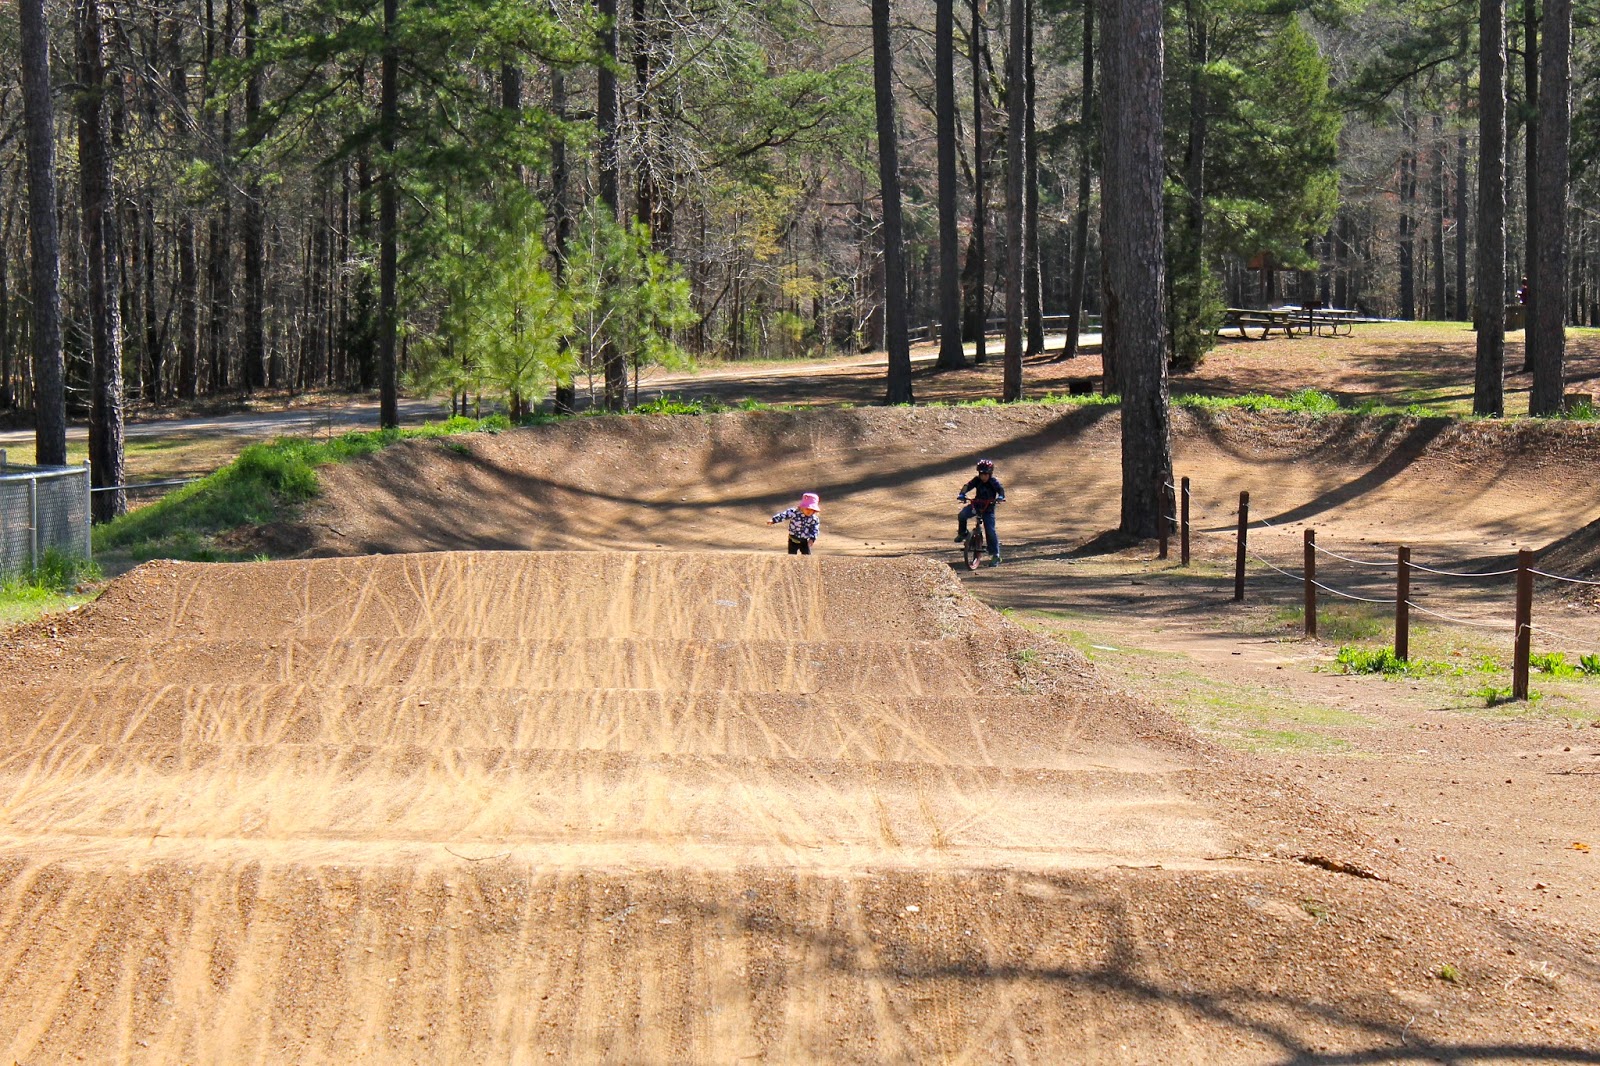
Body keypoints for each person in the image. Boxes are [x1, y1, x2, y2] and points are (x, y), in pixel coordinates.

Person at [955, 459, 1005, 566]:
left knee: (990, 530)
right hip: (976, 504)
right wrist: (962, 494)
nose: (983, 477)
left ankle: (995, 555)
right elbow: (967, 486)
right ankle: (963, 533)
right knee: (962, 515)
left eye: (985, 474)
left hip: (988, 508)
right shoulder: (977, 480)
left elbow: (1000, 489)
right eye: (981, 474)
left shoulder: (993, 482)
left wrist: (1001, 497)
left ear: (990, 474)